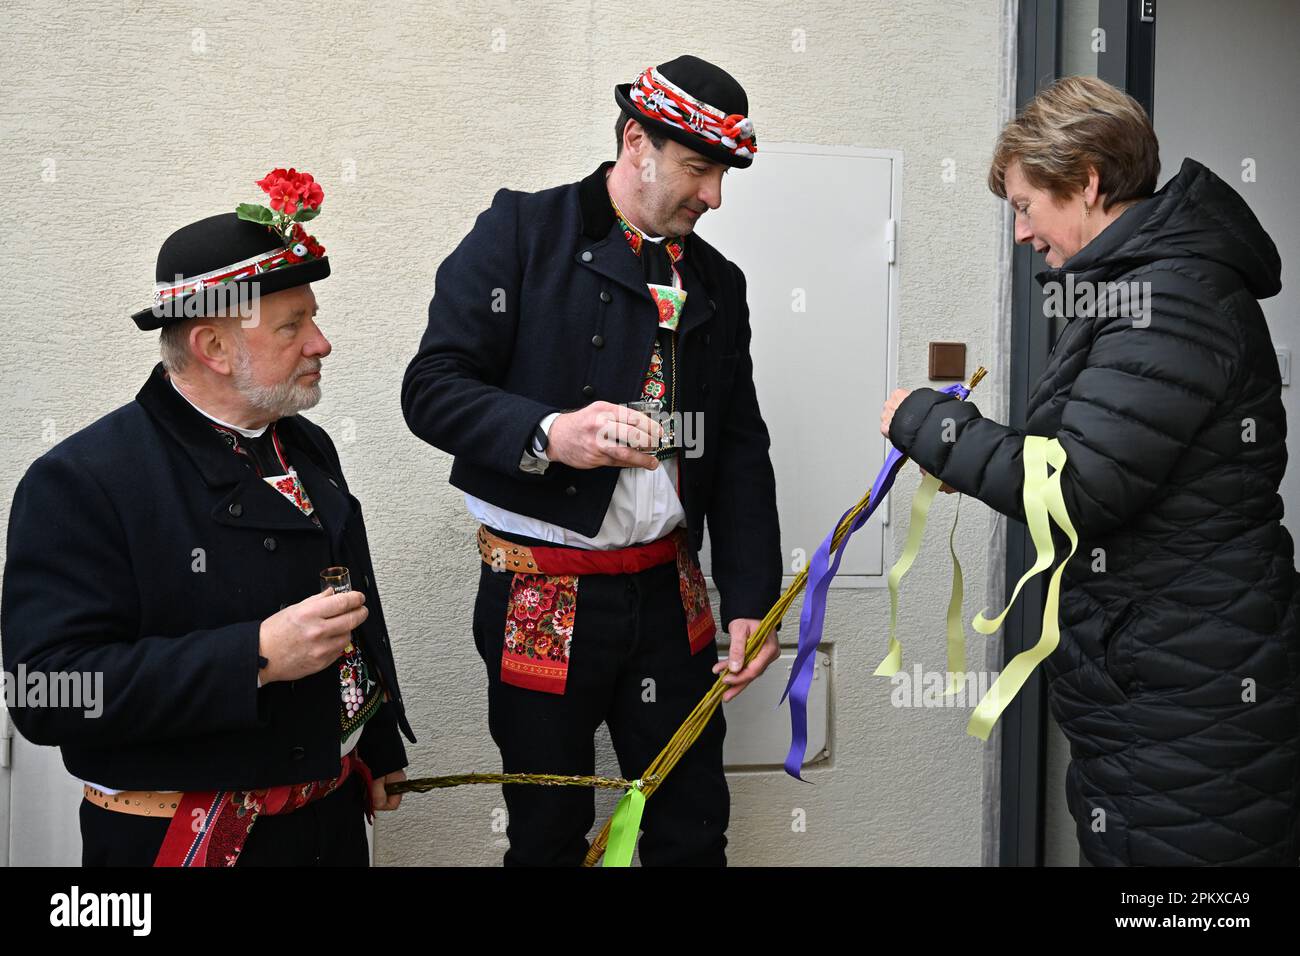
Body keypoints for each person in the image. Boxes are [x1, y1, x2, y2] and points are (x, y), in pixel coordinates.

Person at [881, 75, 1299, 866]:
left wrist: (931, 428)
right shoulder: (1143, 286)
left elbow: (1078, 487)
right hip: (1166, 680)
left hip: (1189, 698)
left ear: (1089, 183)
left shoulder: (1171, 296)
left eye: (1024, 205)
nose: (1020, 233)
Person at [402, 55, 782, 866]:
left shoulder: (720, 281)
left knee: (691, 825)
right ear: (637, 141)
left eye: (722, 176)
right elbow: (430, 389)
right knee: (546, 835)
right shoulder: (521, 231)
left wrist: (751, 595)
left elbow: (740, 445)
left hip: (671, 593)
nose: (714, 196)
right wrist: (550, 432)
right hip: (542, 588)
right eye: (699, 169)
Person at [2, 169, 415, 866]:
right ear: (212, 347)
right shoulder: (81, 481)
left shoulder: (304, 443)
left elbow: (348, 605)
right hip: (175, 840)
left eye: (312, 316)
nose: (321, 343)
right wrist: (252, 657)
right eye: (293, 325)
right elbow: (47, 692)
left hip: (327, 824)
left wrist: (375, 743)